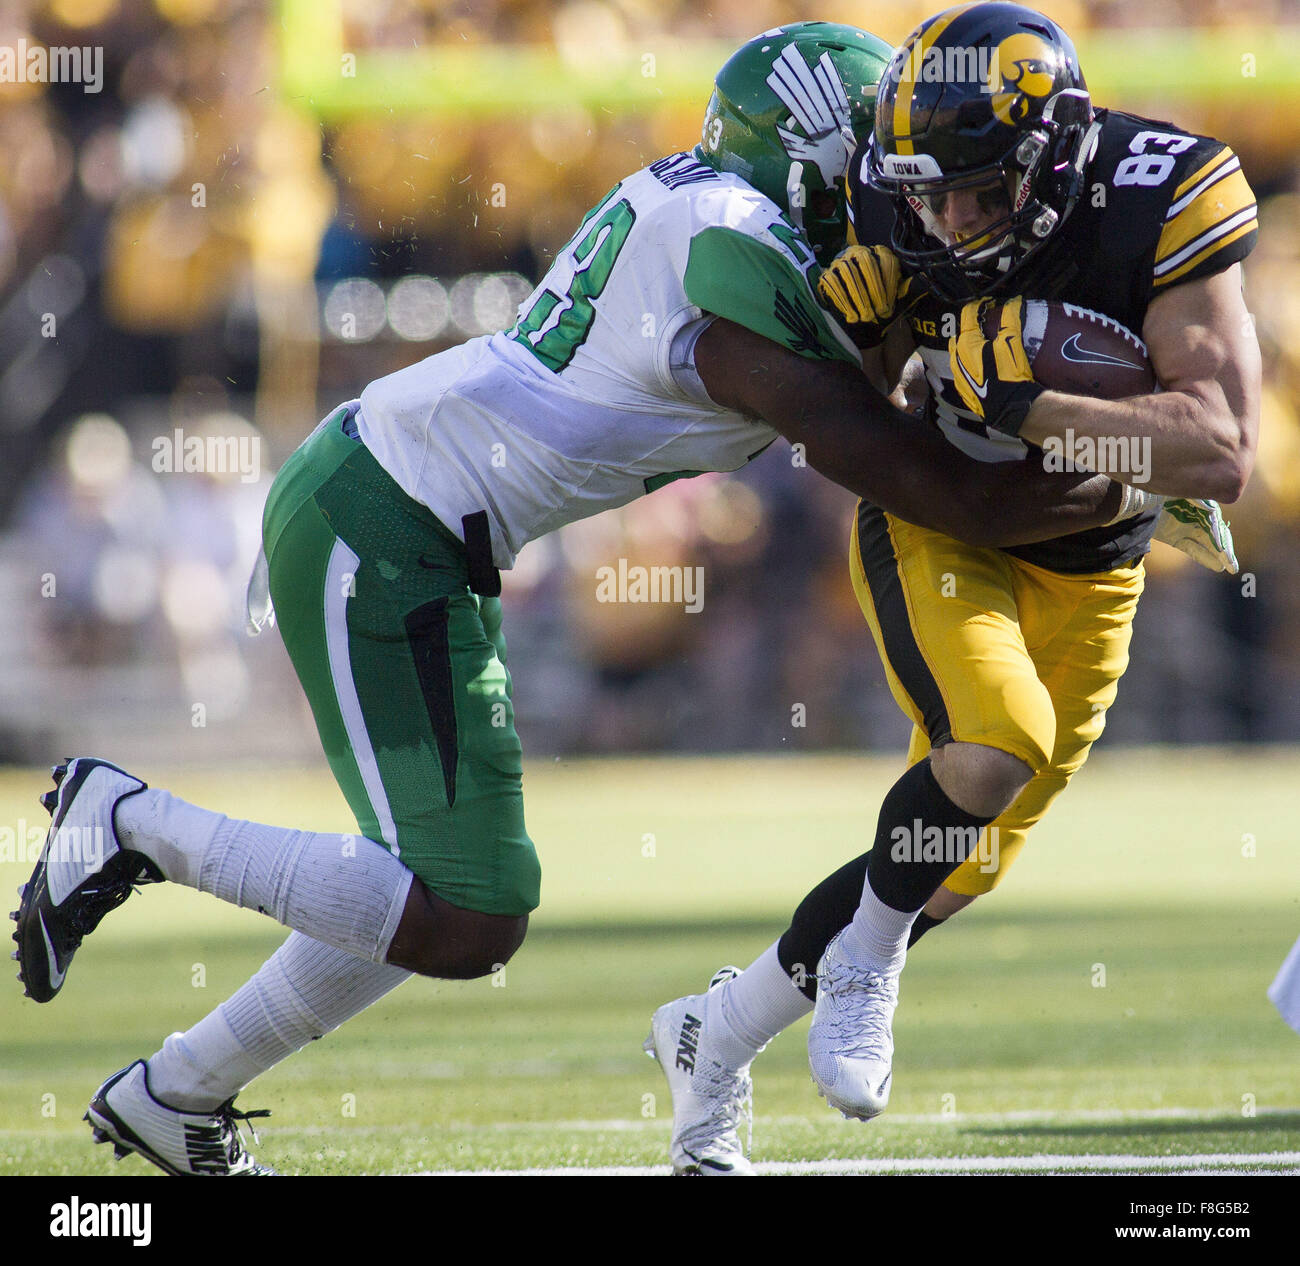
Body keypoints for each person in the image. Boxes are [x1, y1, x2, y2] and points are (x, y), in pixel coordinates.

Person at [17, 20, 1137, 1177]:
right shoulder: (737, 258)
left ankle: (175, 1094)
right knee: (470, 912)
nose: (901, 207)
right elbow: (922, 478)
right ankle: (129, 823)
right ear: (810, 167)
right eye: (873, 176)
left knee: (433, 884)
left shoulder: (716, 209)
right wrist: (1127, 477)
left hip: (413, 520)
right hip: (382, 520)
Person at [647, 1, 1259, 1175]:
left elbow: (1215, 454)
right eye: (925, 192)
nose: (946, 219)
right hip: (944, 522)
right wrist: (860, 339)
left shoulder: (1163, 192)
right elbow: (852, 421)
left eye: (976, 192)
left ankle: (708, 1033)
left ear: (1056, 159)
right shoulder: (889, 192)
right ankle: (864, 964)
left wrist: (1041, 406)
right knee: (993, 743)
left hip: (1098, 562)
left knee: (946, 865)